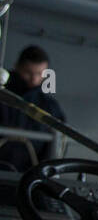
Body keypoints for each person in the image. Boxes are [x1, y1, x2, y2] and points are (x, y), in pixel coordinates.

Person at [0, 44, 65, 173]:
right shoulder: (2, 96)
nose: (34, 78)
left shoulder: (50, 107)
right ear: (17, 67)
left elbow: (57, 142)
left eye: (40, 74)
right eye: (28, 73)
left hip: (28, 176)